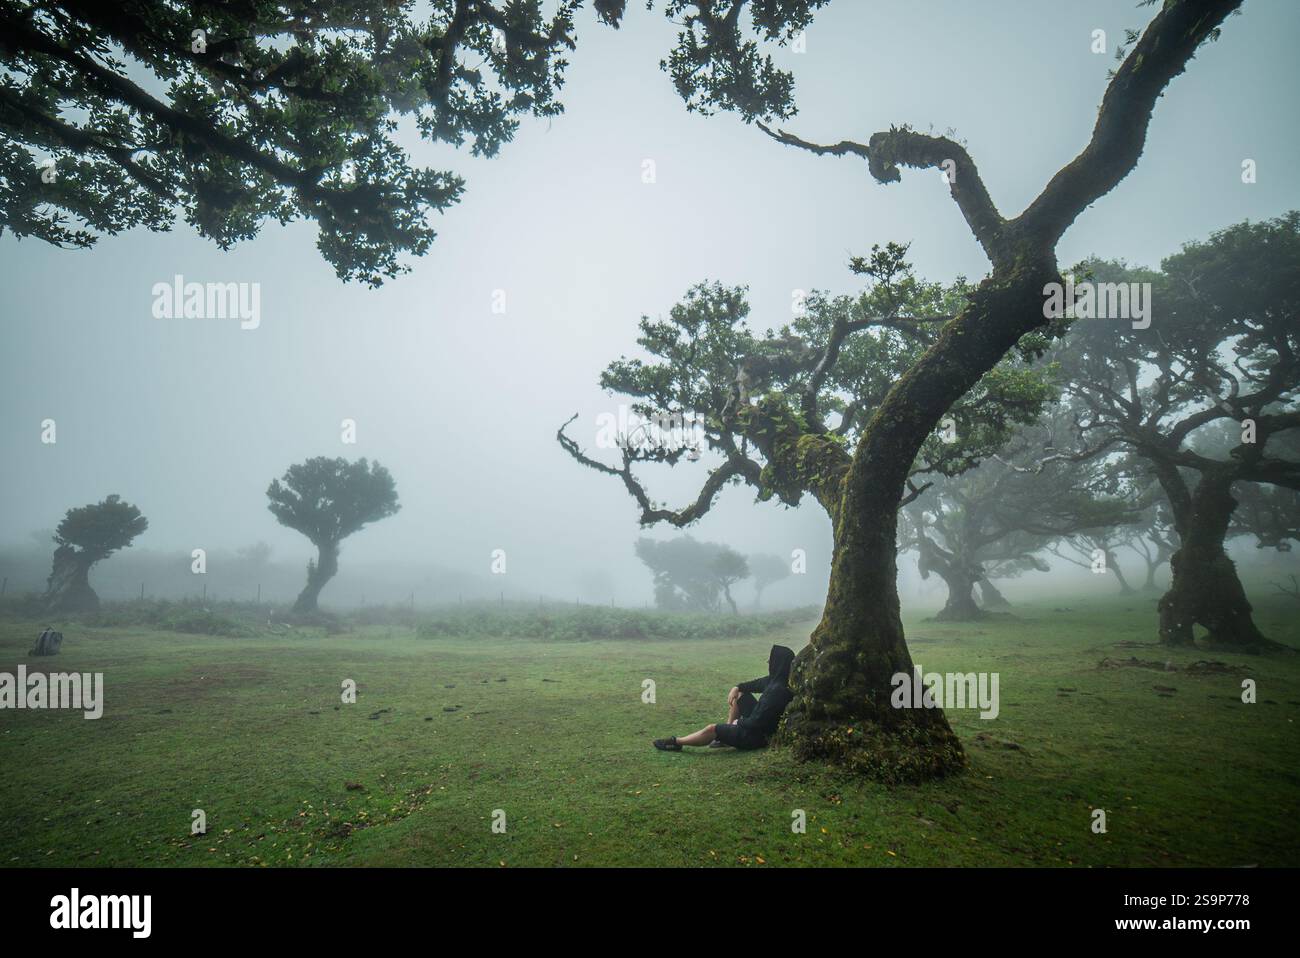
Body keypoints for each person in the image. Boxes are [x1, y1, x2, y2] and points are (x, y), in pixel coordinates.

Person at [653, 644, 796, 752]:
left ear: (778, 663)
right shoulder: (775, 680)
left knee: (712, 729)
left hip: (756, 737)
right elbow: (753, 685)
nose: (768, 663)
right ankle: (724, 739)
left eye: (771, 660)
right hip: (756, 725)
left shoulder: (777, 691)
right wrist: (737, 687)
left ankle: (676, 742)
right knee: (740, 694)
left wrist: (739, 722)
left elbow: (756, 722)